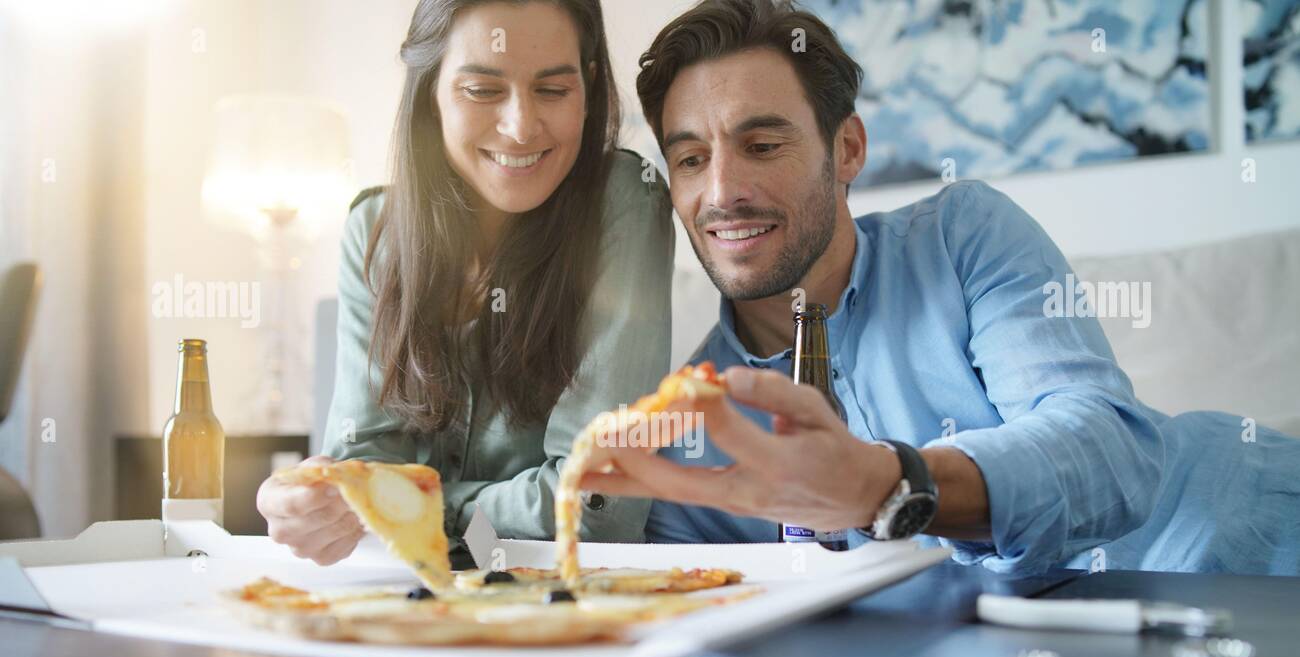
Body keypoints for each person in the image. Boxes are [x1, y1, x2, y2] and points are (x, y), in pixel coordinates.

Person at [581, 0, 1299, 576]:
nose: (724, 190)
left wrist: (888, 482)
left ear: (848, 149)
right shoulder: (691, 428)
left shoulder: (963, 234)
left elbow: (1110, 448)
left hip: (1240, 537)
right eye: (691, 158)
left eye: (763, 146)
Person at [256, 0, 673, 568]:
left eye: (553, 90)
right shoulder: (373, 232)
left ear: (590, 83)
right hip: (400, 597)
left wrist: (421, 504)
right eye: (482, 90)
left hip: (562, 602)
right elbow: (360, 465)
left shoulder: (625, 203)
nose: (521, 126)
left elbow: (598, 507)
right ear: (430, 91)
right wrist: (309, 499)